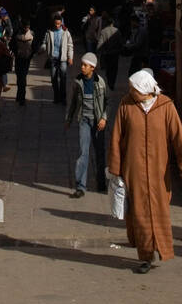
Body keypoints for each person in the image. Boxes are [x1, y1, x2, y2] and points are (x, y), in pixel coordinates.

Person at [107, 68, 182, 274]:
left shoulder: (166, 106)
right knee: (139, 212)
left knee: (160, 208)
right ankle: (145, 255)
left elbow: (178, 138)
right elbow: (117, 137)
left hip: (159, 170)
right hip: (133, 170)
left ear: (144, 89)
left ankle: (161, 247)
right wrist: (116, 168)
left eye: (134, 88)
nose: (130, 91)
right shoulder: (126, 105)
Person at [66, 52, 108, 197]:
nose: (82, 67)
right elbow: (73, 103)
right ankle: (81, 186)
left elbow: (106, 103)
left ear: (93, 68)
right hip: (84, 120)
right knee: (83, 152)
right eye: (82, 65)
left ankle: (101, 183)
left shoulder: (100, 83)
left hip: (98, 122)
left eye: (85, 65)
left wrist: (104, 118)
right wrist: (69, 119)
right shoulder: (78, 82)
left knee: (100, 153)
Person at [40, 14, 73, 104]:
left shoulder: (66, 32)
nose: (57, 25)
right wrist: (42, 48)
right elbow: (44, 43)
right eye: (56, 23)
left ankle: (63, 98)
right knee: (53, 79)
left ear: (61, 23)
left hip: (62, 59)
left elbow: (70, 45)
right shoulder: (49, 32)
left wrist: (70, 57)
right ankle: (56, 97)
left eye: (59, 24)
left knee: (63, 78)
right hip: (53, 58)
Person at [96, 12, 122, 91]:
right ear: (113, 23)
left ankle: (109, 81)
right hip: (115, 53)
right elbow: (120, 42)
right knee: (114, 69)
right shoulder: (117, 31)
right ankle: (112, 83)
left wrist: (98, 51)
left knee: (108, 68)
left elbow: (100, 43)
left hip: (107, 53)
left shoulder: (104, 31)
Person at [11, 19, 34, 105]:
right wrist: (16, 52)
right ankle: (19, 94)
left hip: (26, 59)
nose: (26, 29)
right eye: (25, 27)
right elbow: (12, 44)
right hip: (19, 58)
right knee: (18, 76)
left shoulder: (32, 34)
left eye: (28, 27)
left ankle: (22, 97)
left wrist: (31, 54)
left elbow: (35, 45)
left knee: (23, 77)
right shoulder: (17, 33)